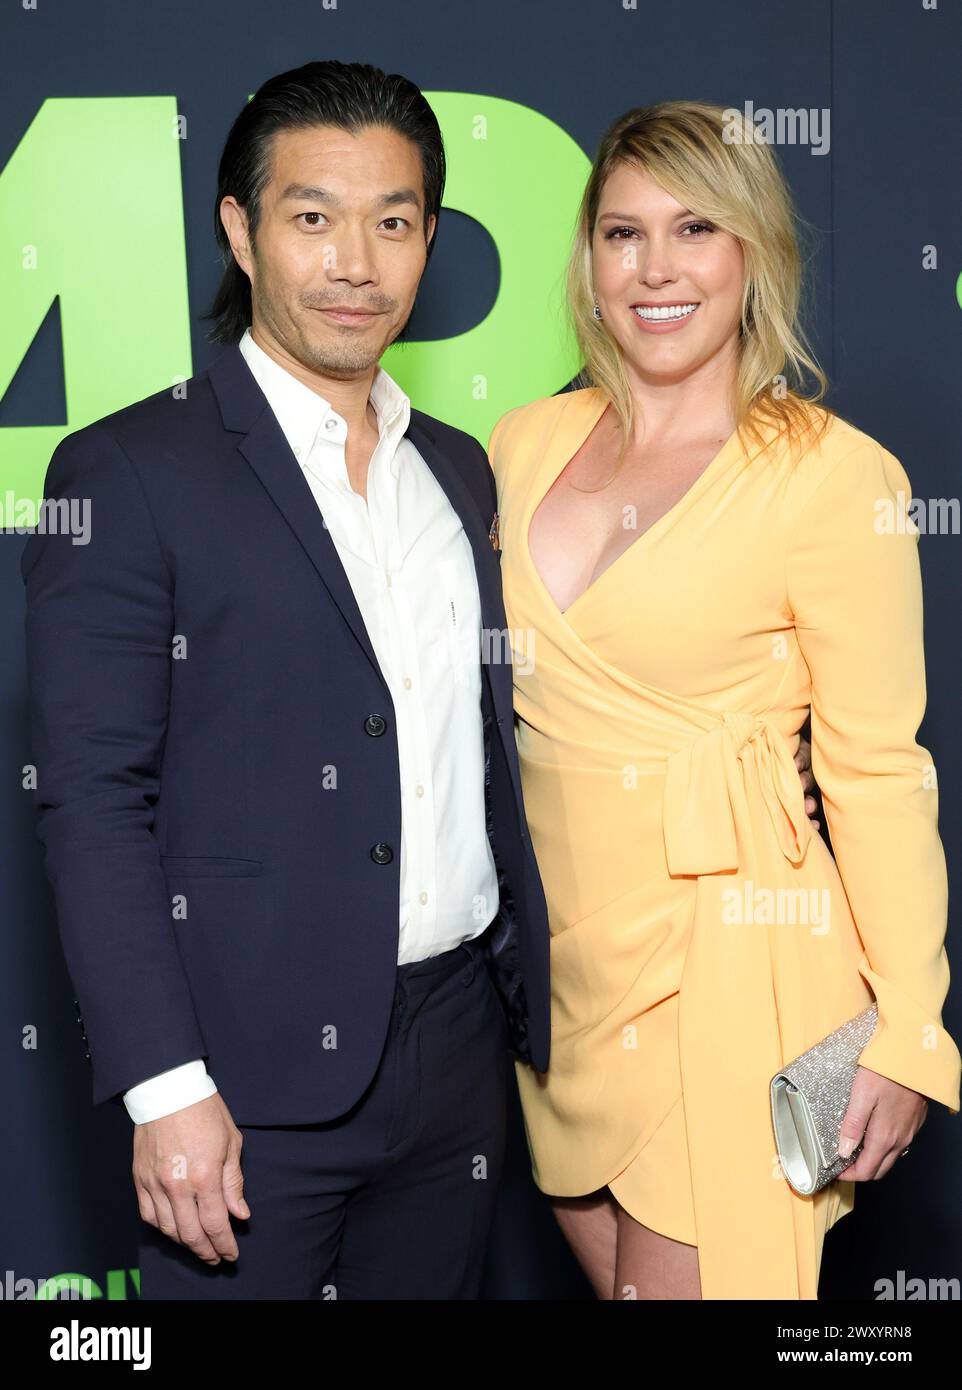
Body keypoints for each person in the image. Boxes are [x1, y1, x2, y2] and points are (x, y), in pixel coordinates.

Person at [19, 59, 553, 1300]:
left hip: (460, 1053)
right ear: (240, 232)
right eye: (312, 217)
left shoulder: (460, 473)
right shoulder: (127, 470)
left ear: (429, 238)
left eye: (393, 221)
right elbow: (92, 799)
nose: (354, 263)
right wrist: (166, 1087)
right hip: (240, 1085)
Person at [487, 100, 961, 1301]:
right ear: (587, 260)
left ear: (753, 252)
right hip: (563, 989)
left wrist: (907, 1030)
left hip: (740, 965)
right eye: (620, 232)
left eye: (694, 228)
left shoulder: (832, 476)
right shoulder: (520, 446)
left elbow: (876, 770)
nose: (653, 268)